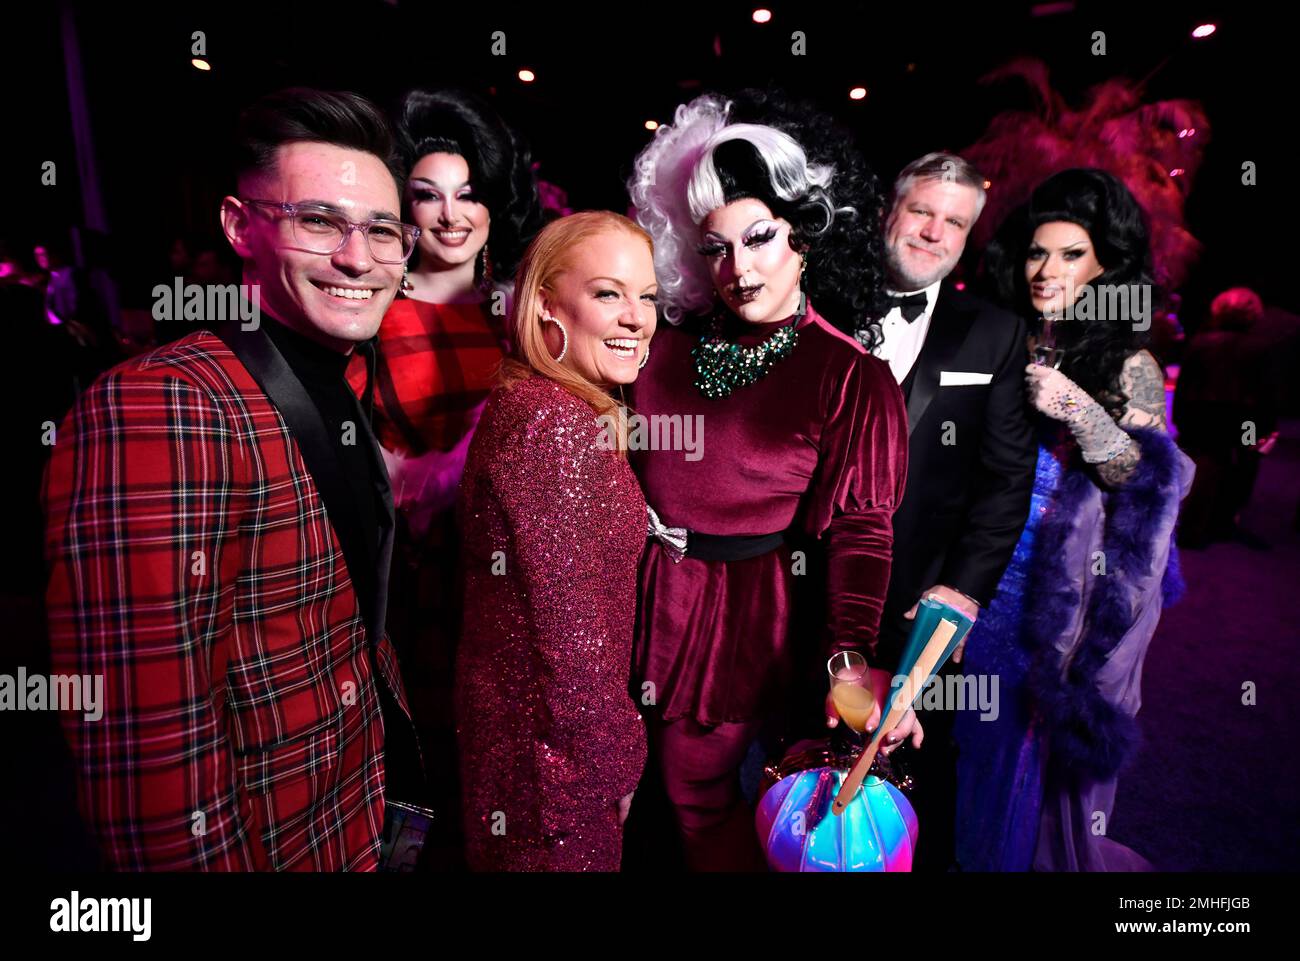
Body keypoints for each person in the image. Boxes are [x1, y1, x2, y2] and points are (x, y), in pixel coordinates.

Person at [44, 88, 421, 870]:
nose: (358, 257)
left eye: (383, 230)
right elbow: (150, 766)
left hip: (359, 822)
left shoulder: (345, 379)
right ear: (237, 224)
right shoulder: (162, 407)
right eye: (318, 221)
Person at [626, 91, 911, 871]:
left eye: (759, 238)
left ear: (806, 234)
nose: (738, 269)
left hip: (755, 608)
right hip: (651, 591)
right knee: (652, 795)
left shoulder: (851, 375)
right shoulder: (662, 345)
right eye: (714, 248)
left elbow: (863, 528)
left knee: (716, 797)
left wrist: (852, 655)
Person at [956, 167, 1193, 871]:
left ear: (1106, 268)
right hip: (984, 569)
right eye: (1037, 251)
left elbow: (1145, 485)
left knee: (1015, 754)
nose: (1045, 268)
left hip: (1057, 594)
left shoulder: (1132, 362)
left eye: (1070, 255)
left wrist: (1080, 411)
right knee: (962, 737)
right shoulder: (1008, 334)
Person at [344, 88, 543, 867]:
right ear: (403, 207)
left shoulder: (522, 311)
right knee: (421, 767)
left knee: (501, 756)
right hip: (418, 584)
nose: (451, 214)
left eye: (470, 193)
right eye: (427, 195)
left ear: (496, 204)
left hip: (513, 574)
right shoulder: (369, 312)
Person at [455, 211, 656, 871]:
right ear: (545, 304)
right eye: (608, 293)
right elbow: (571, 643)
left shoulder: (535, 402)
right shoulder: (556, 425)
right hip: (553, 774)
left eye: (647, 297)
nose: (636, 317)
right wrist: (614, 761)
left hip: (526, 755)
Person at [863, 152, 1038, 872]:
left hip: (925, 599)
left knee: (923, 766)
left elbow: (1005, 480)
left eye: (955, 222)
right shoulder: (818, 302)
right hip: (808, 585)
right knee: (801, 748)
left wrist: (964, 588)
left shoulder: (994, 332)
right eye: (923, 211)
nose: (935, 231)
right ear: (889, 213)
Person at [1175, 287, 1276, 548]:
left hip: (1202, 413)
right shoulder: (1262, 348)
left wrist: (1180, 415)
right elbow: (1264, 392)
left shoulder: (1201, 342)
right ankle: (1220, 521)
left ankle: (1194, 522)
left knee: (1201, 463)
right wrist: (1262, 429)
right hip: (1244, 420)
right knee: (1242, 463)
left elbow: (1186, 383)